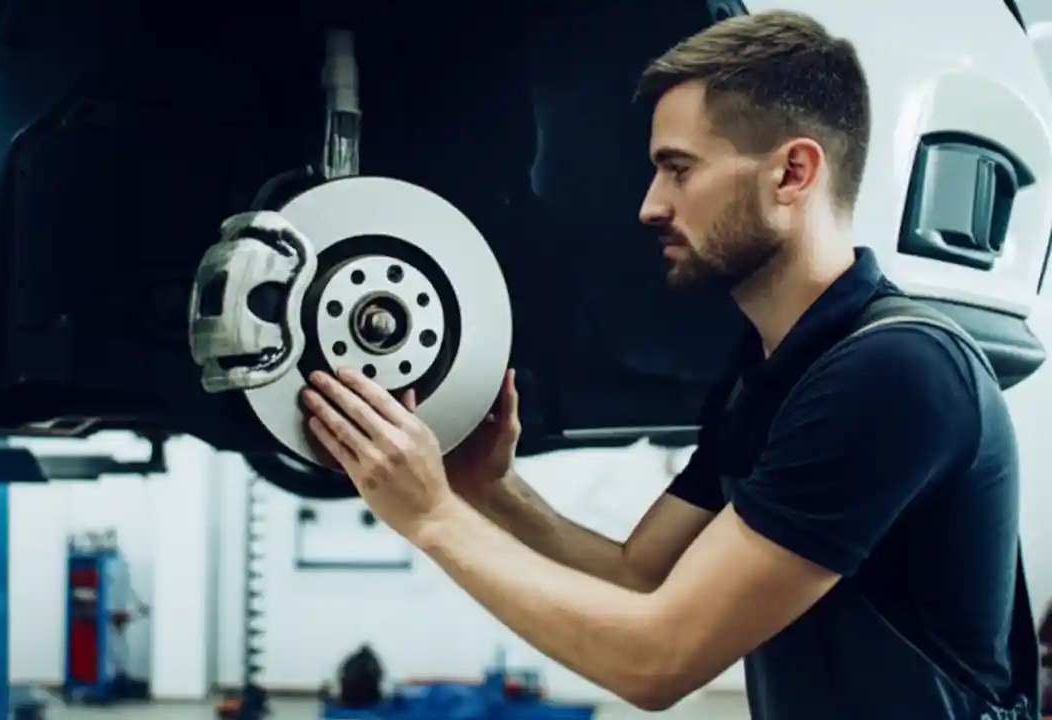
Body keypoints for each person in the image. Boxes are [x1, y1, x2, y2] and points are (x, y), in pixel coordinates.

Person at [297, 9, 1038, 718]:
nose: (651, 204)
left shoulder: (897, 371)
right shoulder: (777, 372)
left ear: (792, 175)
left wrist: (431, 519)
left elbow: (656, 661)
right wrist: (491, 493)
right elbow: (639, 574)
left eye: (678, 169)